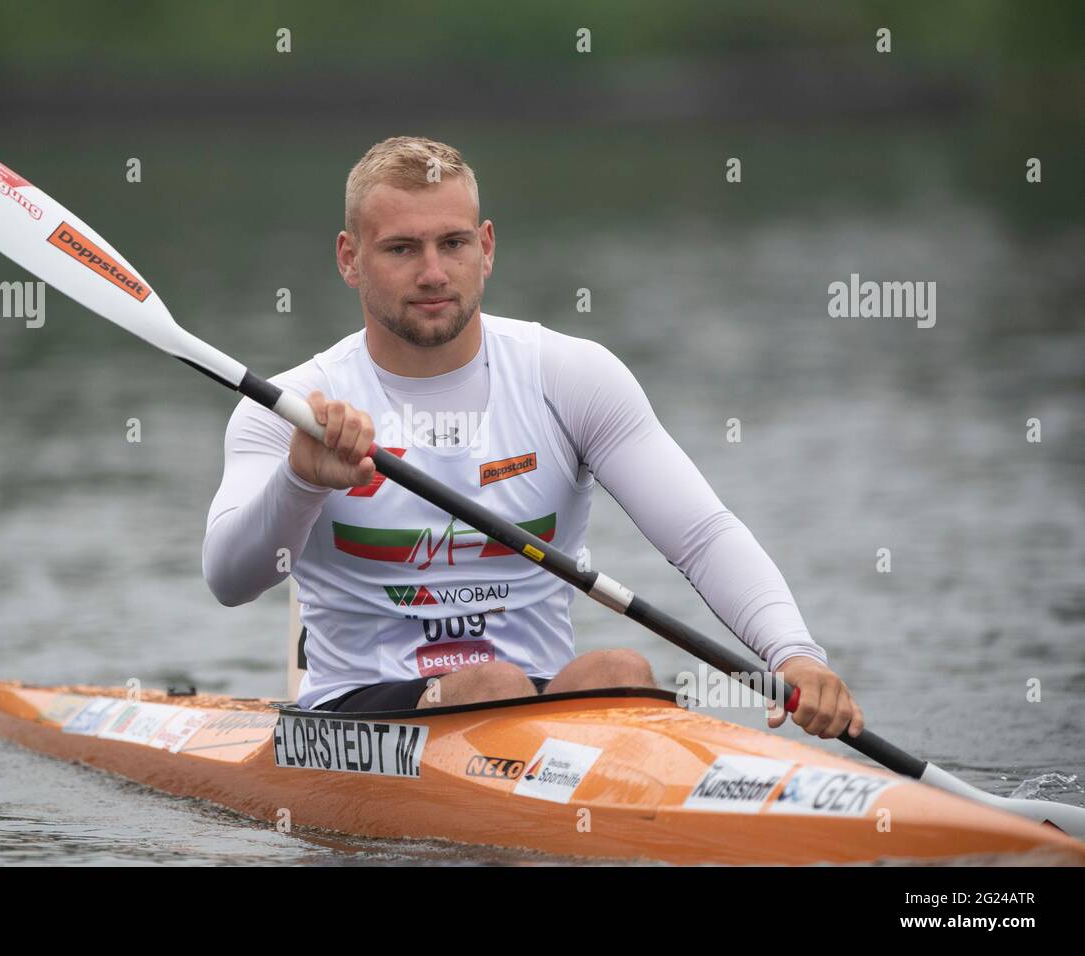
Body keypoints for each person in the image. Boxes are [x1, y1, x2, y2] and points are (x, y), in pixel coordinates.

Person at [203, 136, 863, 740]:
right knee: (492, 682)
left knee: (619, 670)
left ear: (486, 247)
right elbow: (230, 580)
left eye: (453, 244)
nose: (434, 272)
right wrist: (300, 481)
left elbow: (701, 535)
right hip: (358, 713)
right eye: (402, 249)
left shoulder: (570, 377)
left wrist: (793, 653)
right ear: (350, 259)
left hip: (539, 707)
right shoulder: (293, 407)